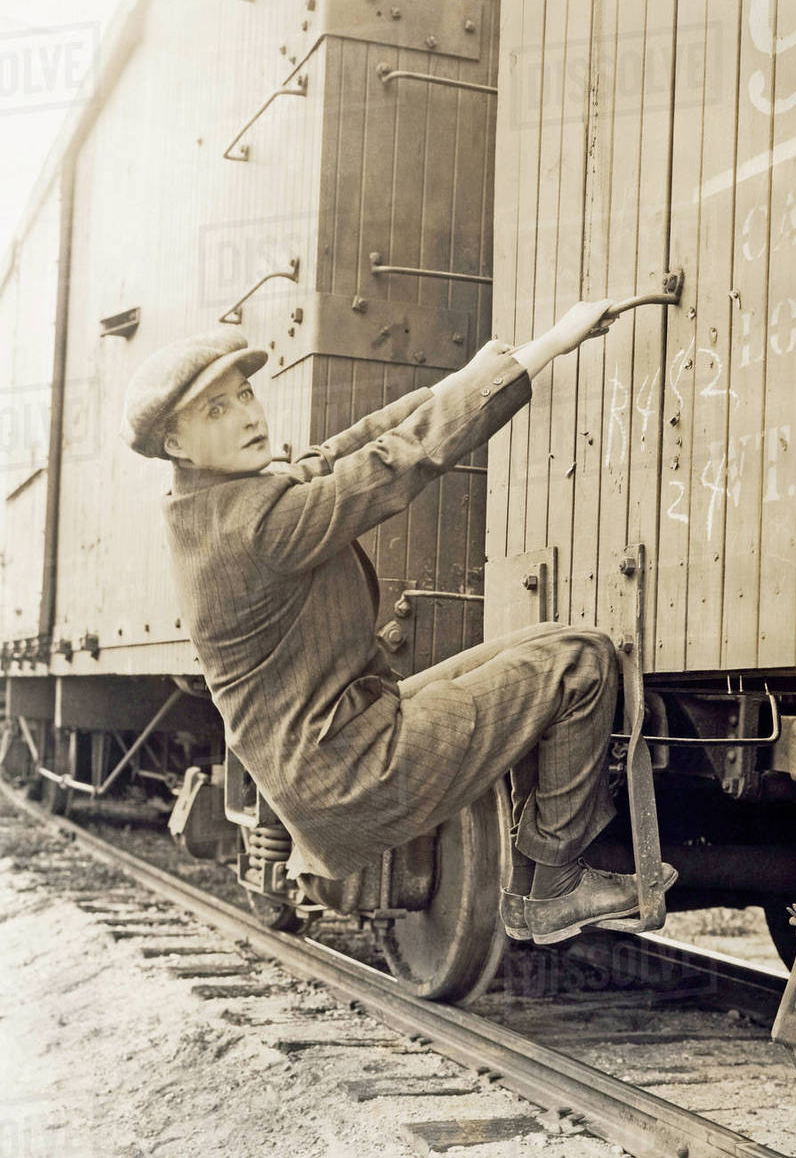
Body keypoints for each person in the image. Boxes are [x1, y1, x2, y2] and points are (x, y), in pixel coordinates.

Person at [121, 307, 676, 945]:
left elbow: (334, 455)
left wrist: (467, 379)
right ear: (175, 445)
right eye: (215, 410)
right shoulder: (258, 526)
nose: (248, 414)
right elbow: (394, 464)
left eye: (245, 393)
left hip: (341, 743)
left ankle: (542, 869)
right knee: (580, 662)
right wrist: (545, 348)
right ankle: (552, 885)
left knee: (547, 646)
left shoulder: (209, 506)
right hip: (350, 770)